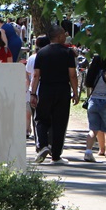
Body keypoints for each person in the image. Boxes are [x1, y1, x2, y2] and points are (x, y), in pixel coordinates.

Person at [31, 25, 80, 165]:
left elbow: (36, 75)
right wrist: (75, 93)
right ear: (58, 36)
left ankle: (43, 145)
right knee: (60, 122)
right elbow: (72, 75)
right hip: (62, 90)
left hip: (45, 89)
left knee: (41, 119)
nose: (66, 35)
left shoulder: (41, 53)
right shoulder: (68, 53)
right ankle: (56, 156)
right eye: (64, 34)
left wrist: (33, 93)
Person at [83, 55, 106, 163]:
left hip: (93, 102)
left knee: (93, 129)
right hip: (105, 103)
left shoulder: (92, 75)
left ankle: (88, 151)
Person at [25, 35, 50, 139]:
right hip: (47, 90)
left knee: (33, 115)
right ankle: (46, 138)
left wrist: (29, 89)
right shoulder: (49, 57)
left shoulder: (32, 58)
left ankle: (36, 137)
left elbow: (28, 75)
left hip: (33, 91)